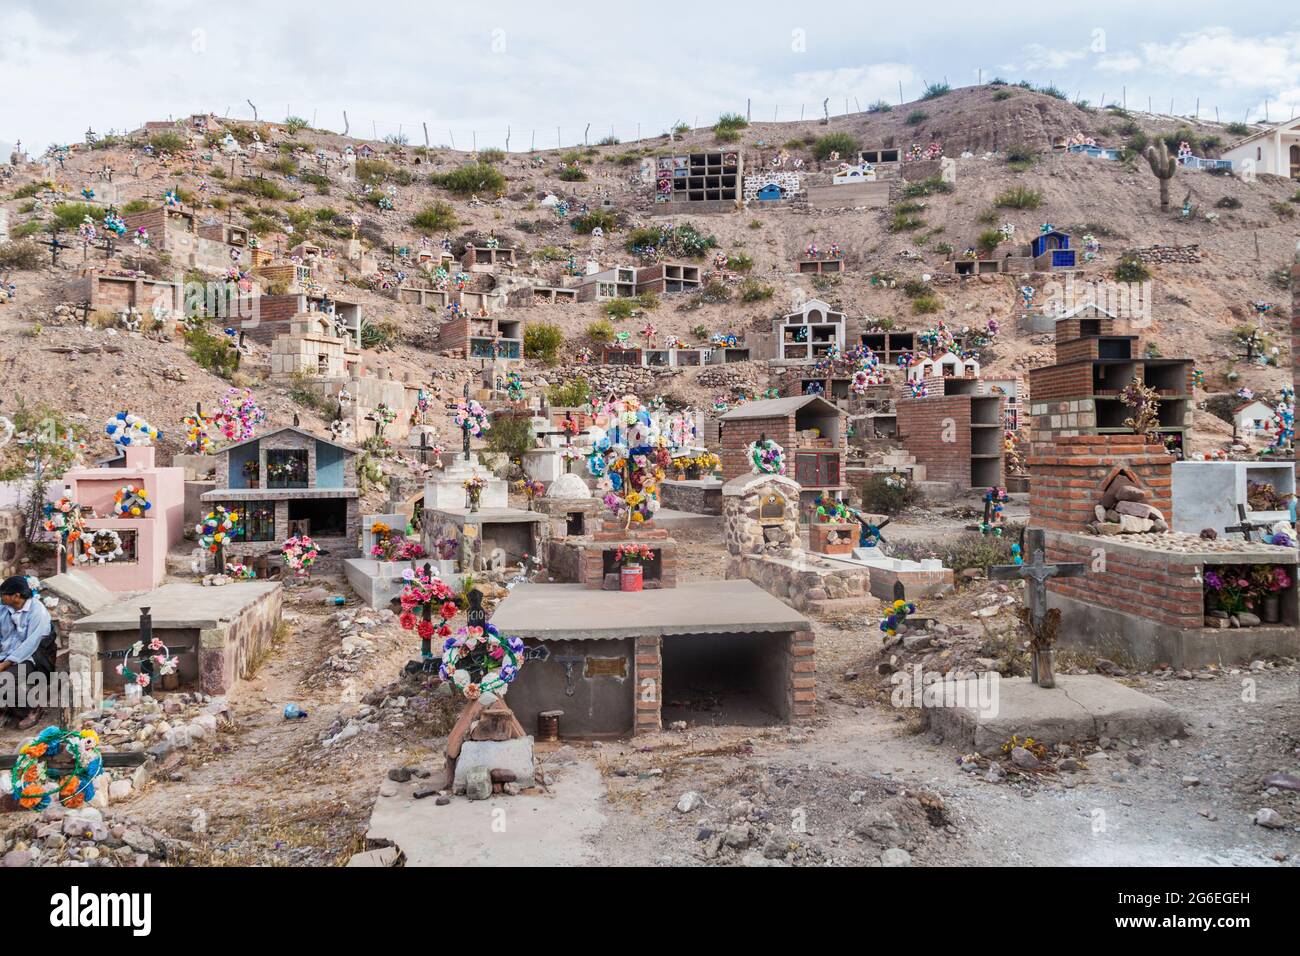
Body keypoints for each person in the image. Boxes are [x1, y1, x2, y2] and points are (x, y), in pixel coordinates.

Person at [0, 576, 52, 730]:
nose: (1, 597)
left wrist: (5, 664)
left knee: (4, 681)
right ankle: (5, 708)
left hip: (30, 657)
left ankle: (31, 709)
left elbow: (31, 644)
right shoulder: (5, 608)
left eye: (3, 594)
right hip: (5, 652)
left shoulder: (37, 612)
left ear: (16, 596)